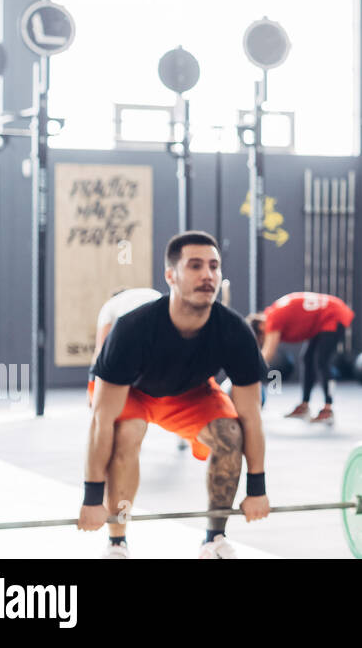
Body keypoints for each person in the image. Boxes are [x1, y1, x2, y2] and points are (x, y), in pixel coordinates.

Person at [81, 231, 269, 559]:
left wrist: (257, 489)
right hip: (131, 391)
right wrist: (92, 498)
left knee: (229, 433)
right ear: (171, 275)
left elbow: (251, 414)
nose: (207, 274)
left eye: (214, 266)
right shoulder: (131, 329)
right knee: (127, 433)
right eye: (195, 266)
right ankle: (117, 541)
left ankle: (214, 539)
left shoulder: (234, 331)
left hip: (189, 391)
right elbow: (102, 420)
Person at [249, 292, 353, 425]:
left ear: (260, 327)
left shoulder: (271, 320)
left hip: (333, 315)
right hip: (323, 318)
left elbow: (268, 354)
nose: (263, 340)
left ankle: (328, 409)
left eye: (260, 338)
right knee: (307, 358)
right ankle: (305, 405)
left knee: (322, 361)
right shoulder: (274, 313)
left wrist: (248, 371)